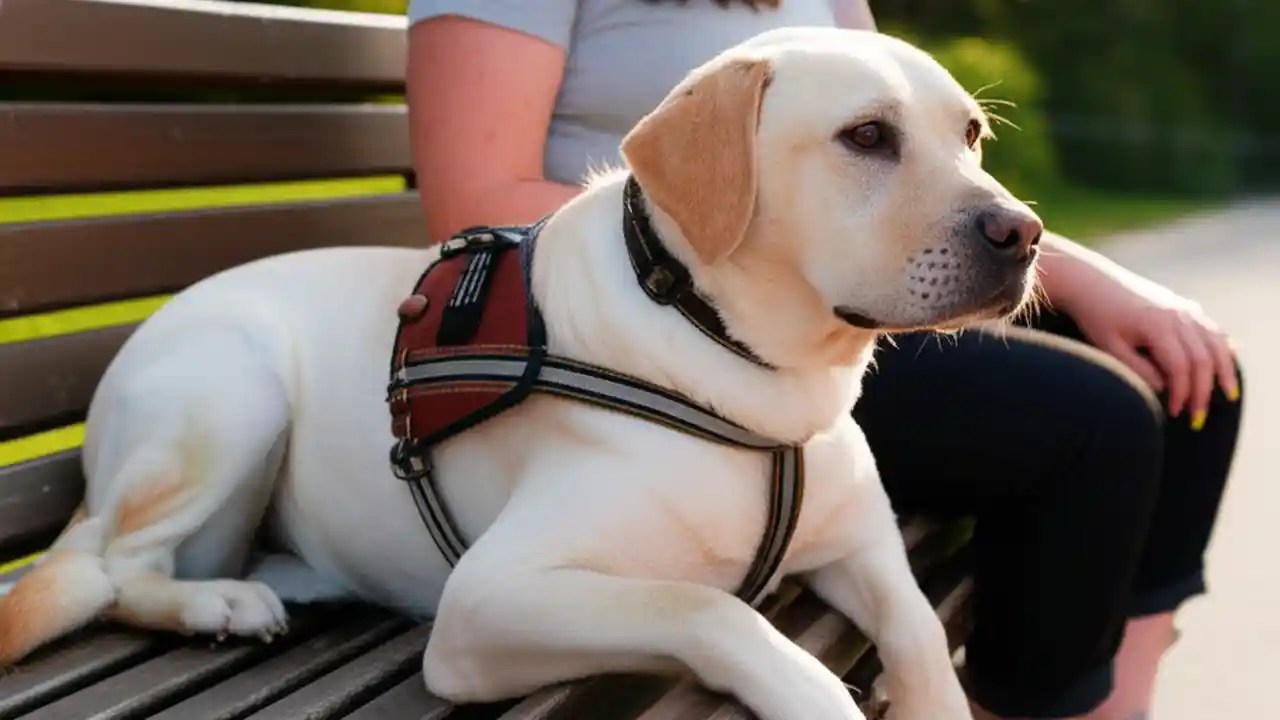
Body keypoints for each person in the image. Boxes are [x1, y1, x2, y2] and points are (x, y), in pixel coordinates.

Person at [403, 2, 1244, 718]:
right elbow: (474, 197)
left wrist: (1084, 273)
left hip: (824, 319)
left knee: (1196, 380)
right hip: (677, 311)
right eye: (864, 135)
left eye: (979, 132)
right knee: (1099, 422)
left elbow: (914, 137)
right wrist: (710, 210)